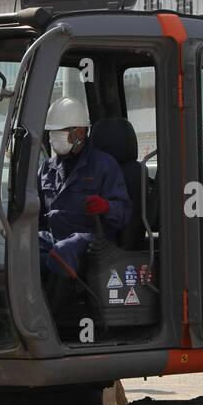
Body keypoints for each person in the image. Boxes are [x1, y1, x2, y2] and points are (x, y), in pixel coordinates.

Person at [38, 96, 132, 277]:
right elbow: (36, 211)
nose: (54, 137)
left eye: (61, 131)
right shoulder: (46, 169)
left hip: (92, 238)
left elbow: (124, 213)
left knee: (63, 251)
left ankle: (58, 303)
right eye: (52, 132)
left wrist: (106, 207)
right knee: (21, 244)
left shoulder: (104, 165)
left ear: (80, 132)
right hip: (55, 235)